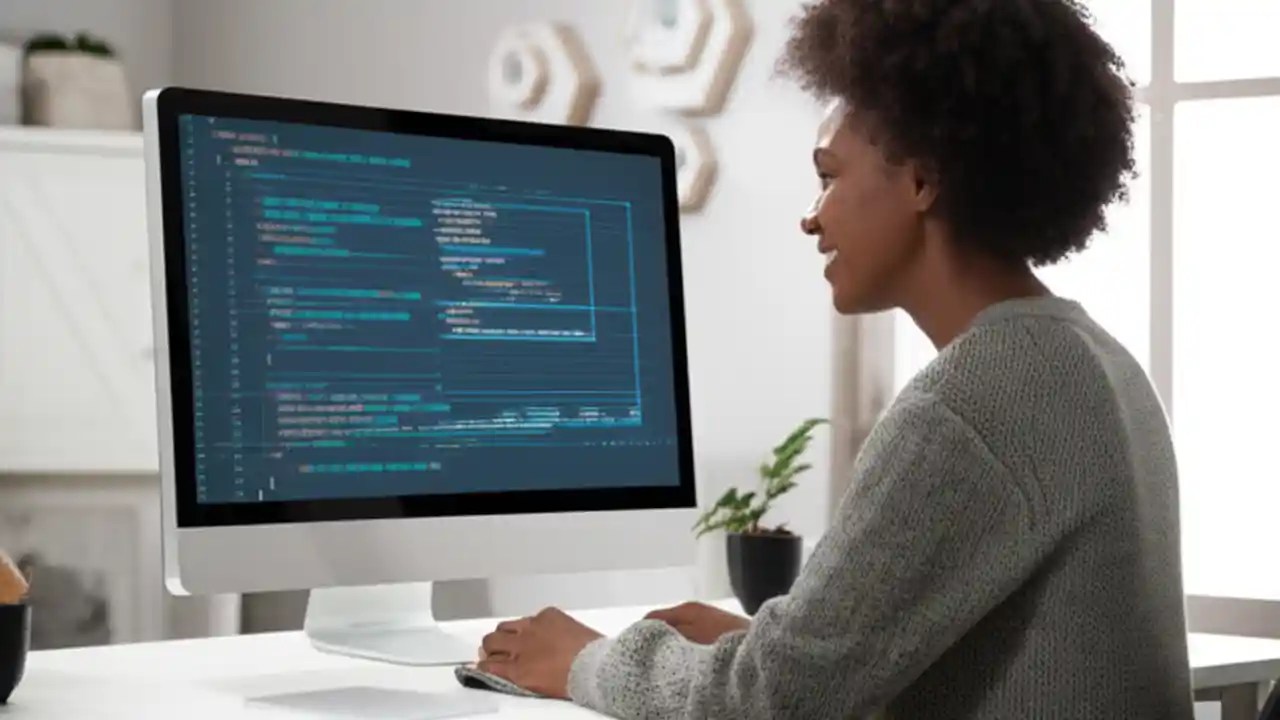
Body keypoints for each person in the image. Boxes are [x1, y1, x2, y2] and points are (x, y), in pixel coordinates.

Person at [476, 0, 1194, 717]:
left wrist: (586, 661)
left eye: (828, 175)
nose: (812, 216)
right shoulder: (1097, 363)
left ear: (922, 180)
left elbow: (771, 702)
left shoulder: (968, 404)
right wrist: (771, 639)